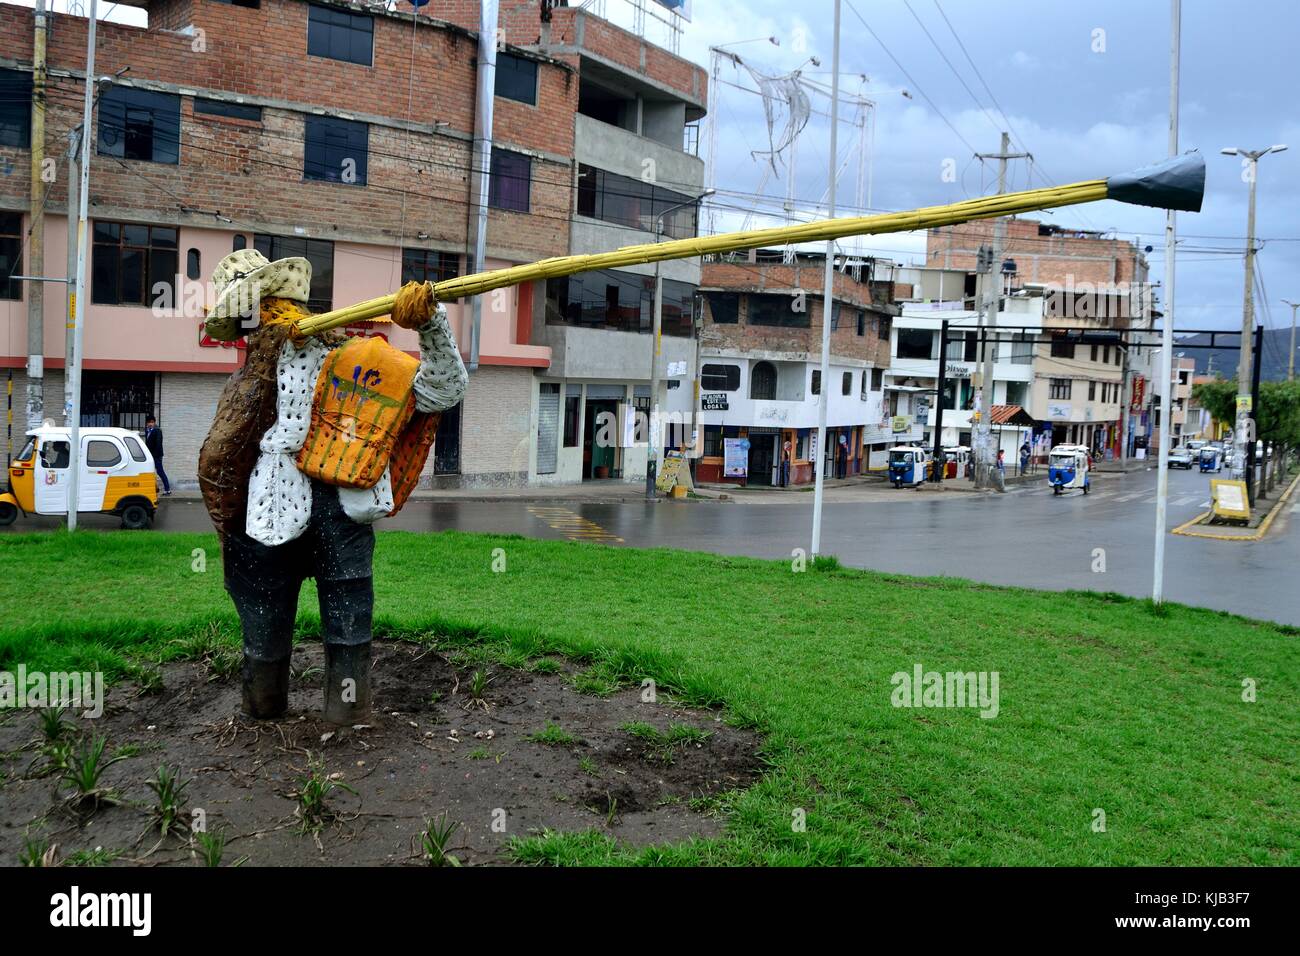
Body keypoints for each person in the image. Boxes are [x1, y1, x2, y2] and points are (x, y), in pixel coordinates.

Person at [197, 249, 467, 724]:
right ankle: (263, 706)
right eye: (252, 316)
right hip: (267, 506)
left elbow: (443, 389)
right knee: (263, 612)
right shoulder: (249, 375)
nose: (262, 323)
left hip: (342, 504)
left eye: (263, 308)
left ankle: (346, 713)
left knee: (348, 610)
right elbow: (225, 454)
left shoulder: (355, 359)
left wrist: (430, 323)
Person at [144, 415, 170, 496]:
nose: (150, 424)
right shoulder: (147, 430)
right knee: (150, 471)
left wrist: (154, 456)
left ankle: (167, 489)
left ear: (154, 422)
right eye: (149, 422)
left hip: (157, 455)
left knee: (160, 471)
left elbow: (158, 444)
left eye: (152, 422)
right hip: (150, 455)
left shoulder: (157, 430)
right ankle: (155, 488)